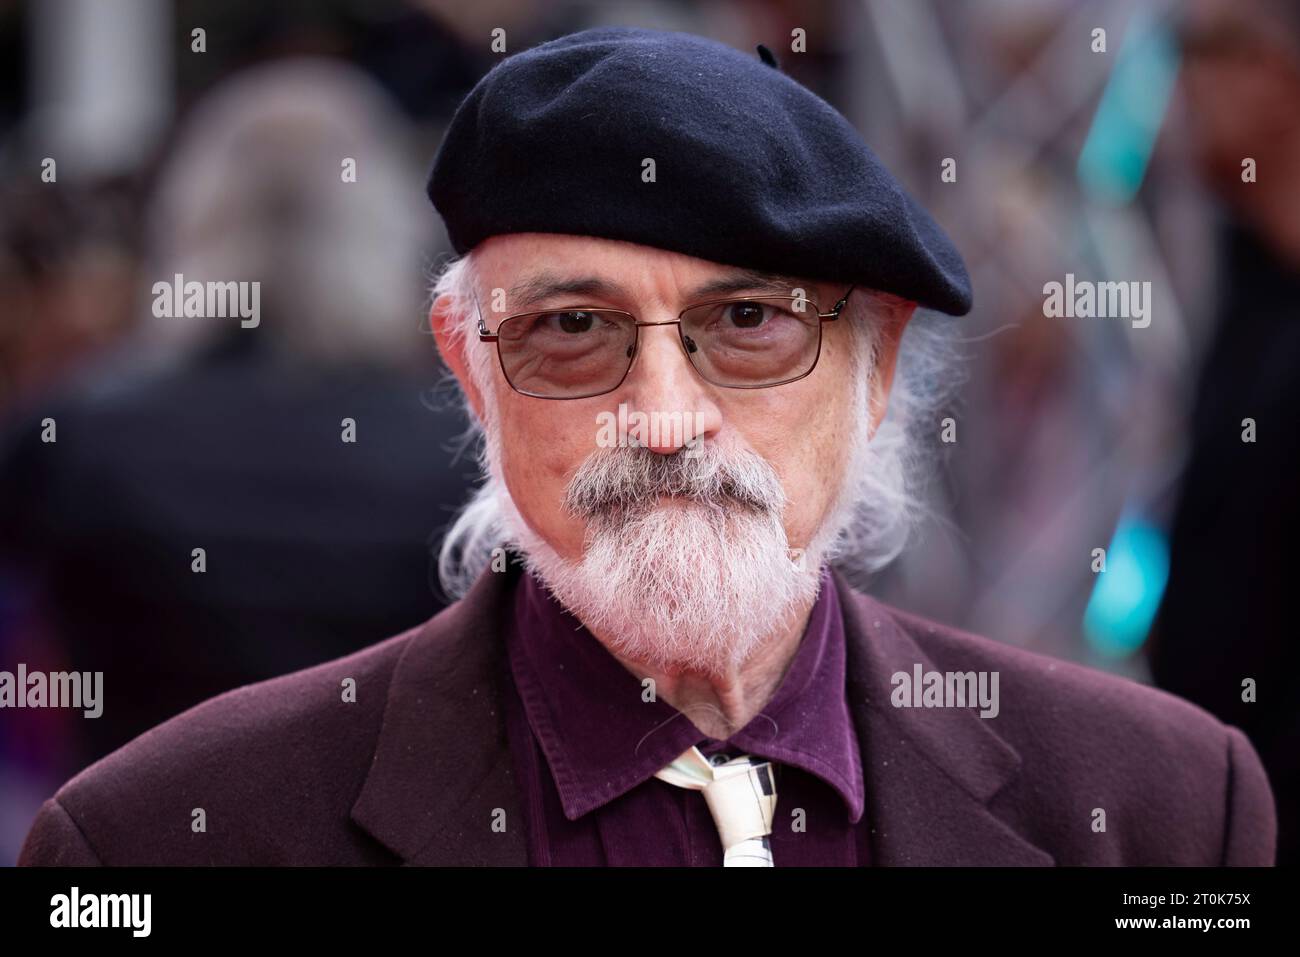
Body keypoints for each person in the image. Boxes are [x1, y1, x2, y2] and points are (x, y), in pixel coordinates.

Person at [18, 26, 1274, 867]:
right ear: (470, 371)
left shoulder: (1164, 811)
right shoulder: (159, 843)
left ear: (875, 372)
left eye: (748, 324)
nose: (666, 420)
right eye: (574, 329)